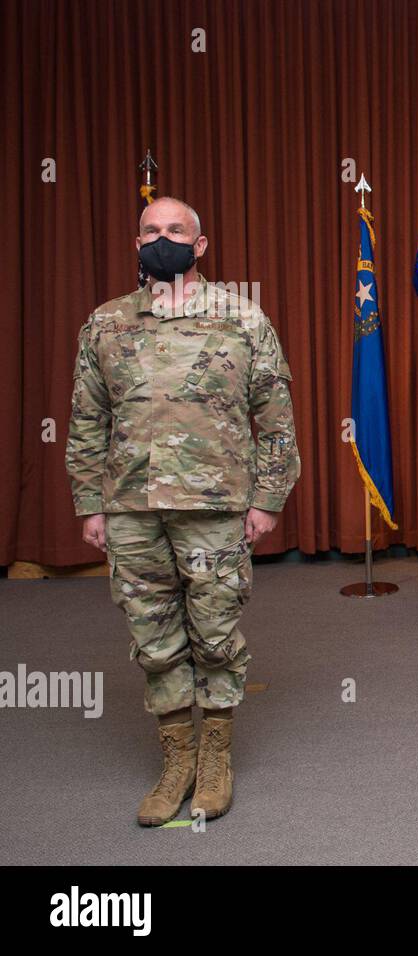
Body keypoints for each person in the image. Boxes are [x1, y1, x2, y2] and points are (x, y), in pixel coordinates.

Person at [65, 197, 300, 824]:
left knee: (216, 632)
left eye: (176, 230)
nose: (161, 238)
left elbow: (276, 420)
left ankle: (216, 756)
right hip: (131, 506)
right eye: (150, 230)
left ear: (200, 246)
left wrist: (268, 499)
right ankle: (177, 758)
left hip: (216, 505)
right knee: (152, 633)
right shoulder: (106, 325)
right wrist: (91, 501)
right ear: (135, 242)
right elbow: (88, 420)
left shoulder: (243, 320)